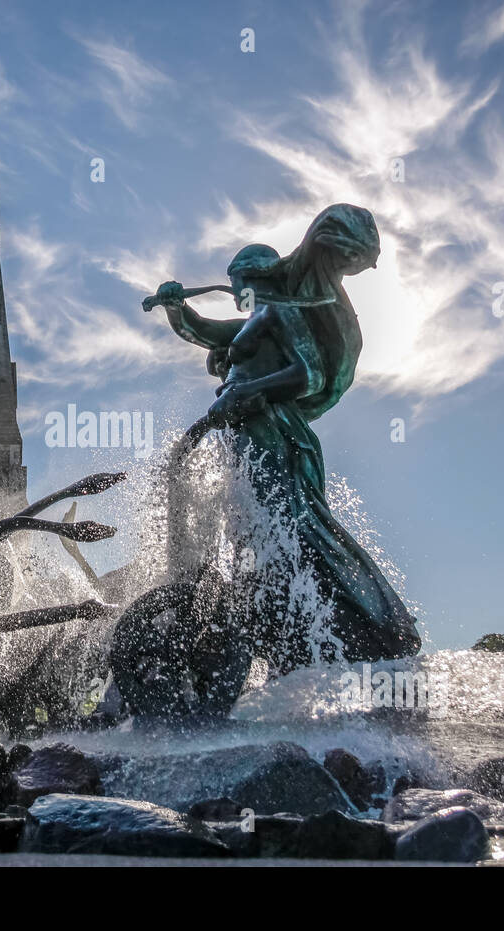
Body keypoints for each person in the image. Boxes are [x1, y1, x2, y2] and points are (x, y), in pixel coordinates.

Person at [149, 203, 420, 663]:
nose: (237, 298)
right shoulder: (258, 319)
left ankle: (350, 625)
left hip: (273, 433)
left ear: (254, 278)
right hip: (247, 433)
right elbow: (203, 331)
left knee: (286, 526)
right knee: (255, 531)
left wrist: (246, 393)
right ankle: (281, 633)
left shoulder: (283, 309)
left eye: (240, 287)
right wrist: (177, 308)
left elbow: (309, 374)